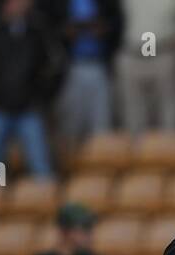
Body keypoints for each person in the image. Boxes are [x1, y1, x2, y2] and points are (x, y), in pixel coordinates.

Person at [0, 0, 63, 178]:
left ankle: (43, 201)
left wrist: (41, 97)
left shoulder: (37, 31)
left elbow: (55, 67)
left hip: (28, 110)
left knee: (39, 163)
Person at [51, 0, 121, 152]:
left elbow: (116, 25)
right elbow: (52, 28)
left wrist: (103, 29)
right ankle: (71, 168)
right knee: (71, 125)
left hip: (99, 66)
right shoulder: (60, 4)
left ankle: (102, 165)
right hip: (71, 69)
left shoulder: (106, 4)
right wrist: (68, 32)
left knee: (102, 124)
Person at [114, 0, 175, 136]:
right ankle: (135, 155)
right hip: (132, 53)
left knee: (170, 119)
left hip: (164, 51)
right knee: (133, 119)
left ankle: (170, 153)